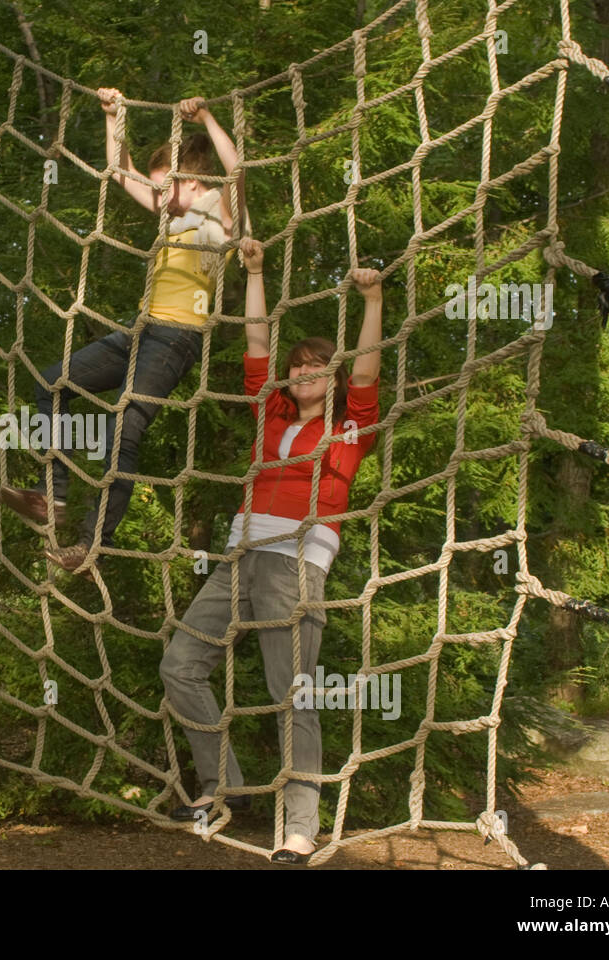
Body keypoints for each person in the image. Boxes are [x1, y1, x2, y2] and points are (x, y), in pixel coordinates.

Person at [159, 236, 384, 864]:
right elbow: (257, 343)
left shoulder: (349, 426)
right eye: (298, 365)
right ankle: (222, 783)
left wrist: (374, 298)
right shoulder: (272, 412)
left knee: (293, 693)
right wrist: (253, 272)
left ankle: (302, 827)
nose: (303, 372)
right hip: (239, 556)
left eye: (317, 365)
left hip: (295, 563)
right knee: (179, 665)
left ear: (332, 374)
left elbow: (365, 367)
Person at [0, 89, 247, 575]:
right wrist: (115, 116)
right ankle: (53, 496)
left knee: (123, 431)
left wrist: (211, 117)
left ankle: (91, 546)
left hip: (177, 337)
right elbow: (120, 170)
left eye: (165, 189)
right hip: (139, 331)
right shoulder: (172, 217)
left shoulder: (219, 217)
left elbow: (236, 170)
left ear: (193, 183)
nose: (158, 199)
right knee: (51, 382)